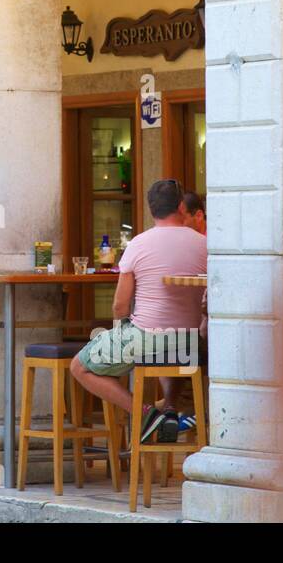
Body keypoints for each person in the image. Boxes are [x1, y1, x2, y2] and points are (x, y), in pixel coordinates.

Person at [70, 179, 207, 443]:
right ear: (181, 206)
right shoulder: (203, 245)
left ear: (151, 210)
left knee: (79, 366)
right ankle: (169, 408)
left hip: (146, 337)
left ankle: (145, 413)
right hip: (190, 342)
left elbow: (120, 305)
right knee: (172, 350)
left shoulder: (139, 244)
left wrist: (120, 330)